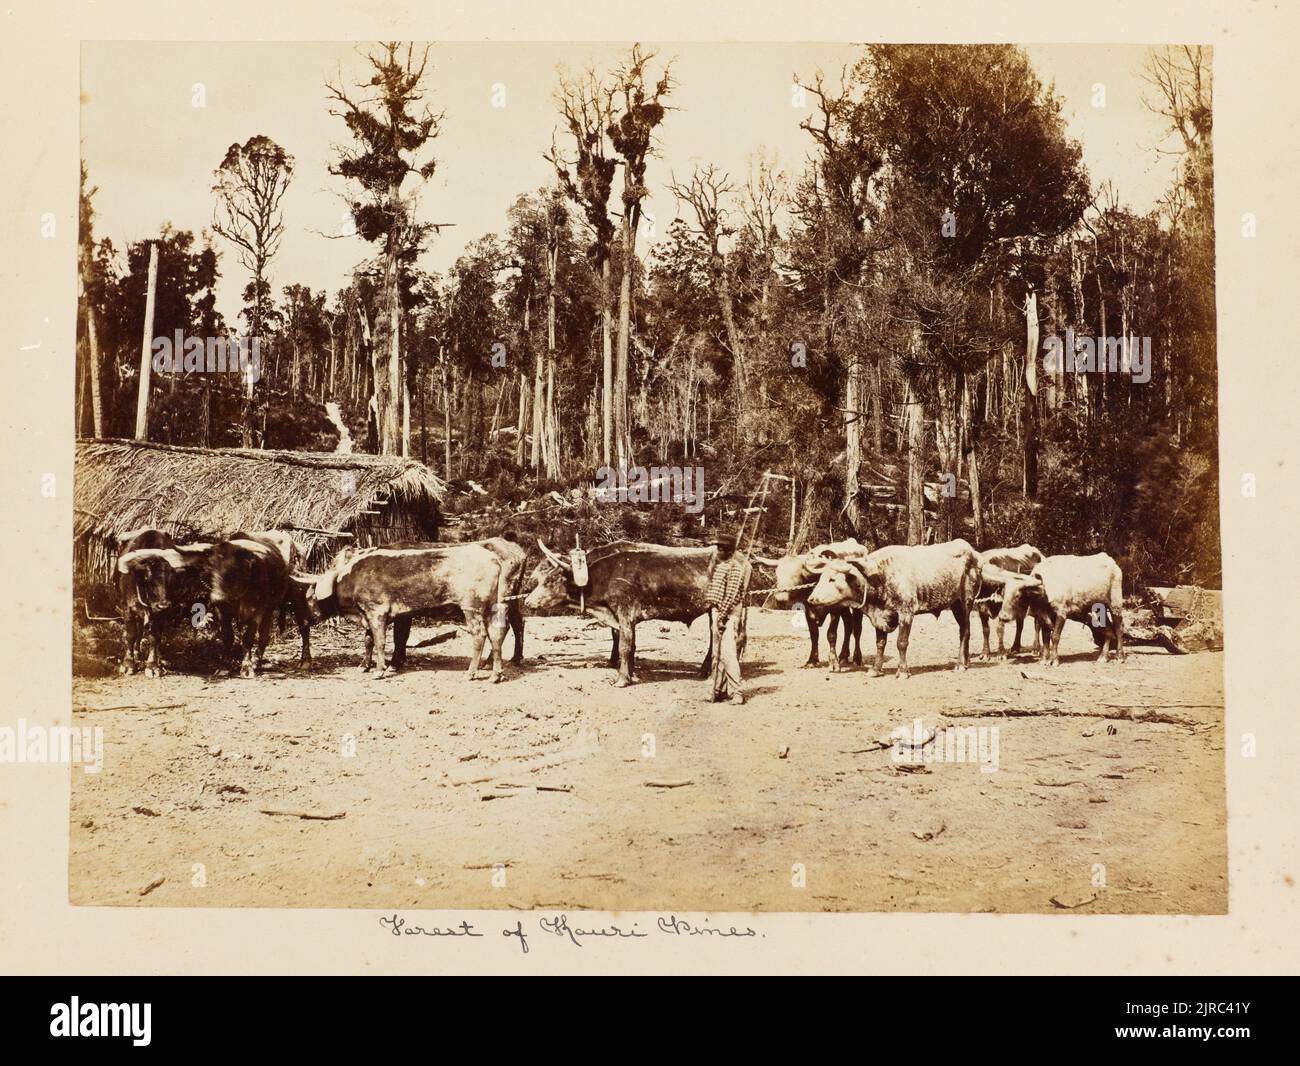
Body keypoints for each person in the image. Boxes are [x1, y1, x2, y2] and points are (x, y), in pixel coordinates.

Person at [704, 533, 749, 705]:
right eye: (718, 547)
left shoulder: (735, 568)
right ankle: (718, 690)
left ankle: (736, 692)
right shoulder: (722, 566)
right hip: (718, 613)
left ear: (728, 551)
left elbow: (730, 597)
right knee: (717, 654)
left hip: (727, 615)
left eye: (721, 548)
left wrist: (721, 618)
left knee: (728, 654)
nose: (717, 551)